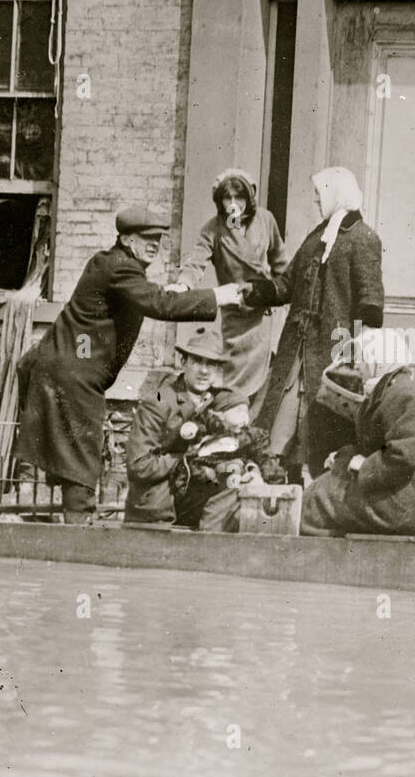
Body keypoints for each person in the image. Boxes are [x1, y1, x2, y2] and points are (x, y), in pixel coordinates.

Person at [16, 207, 244, 524]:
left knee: (73, 455)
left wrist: (174, 292)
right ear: (125, 239)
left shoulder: (115, 265)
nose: (154, 245)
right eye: (146, 238)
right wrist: (217, 296)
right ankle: (77, 529)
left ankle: (72, 521)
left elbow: (153, 296)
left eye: (158, 239)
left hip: (64, 366)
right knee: (82, 455)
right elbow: (159, 303)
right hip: (74, 373)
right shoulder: (120, 268)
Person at [249, 167, 384, 482]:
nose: (314, 201)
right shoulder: (316, 237)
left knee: (321, 420)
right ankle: (283, 487)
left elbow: (371, 293)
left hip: (332, 346)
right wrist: (255, 291)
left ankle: (315, 496)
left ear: (336, 194)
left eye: (319, 194)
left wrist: (361, 345)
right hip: (296, 347)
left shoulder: (363, 238)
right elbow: (288, 284)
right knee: (282, 417)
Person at [299, 340, 415, 537]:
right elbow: (378, 447)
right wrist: (343, 458)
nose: (358, 366)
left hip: (409, 501)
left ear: (379, 361)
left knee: (319, 498)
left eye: (362, 360)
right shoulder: (388, 389)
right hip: (401, 494)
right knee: (323, 488)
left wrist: (361, 465)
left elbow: (402, 457)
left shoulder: (404, 395)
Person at [124, 328, 266, 530]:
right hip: (163, 501)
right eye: (197, 361)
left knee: (244, 489)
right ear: (184, 362)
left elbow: (242, 441)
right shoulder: (159, 402)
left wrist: (251, 469)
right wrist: (188, 461)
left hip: (199, 495)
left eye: (211, 364)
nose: (204, 371)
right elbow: (139, 465)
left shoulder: (221, 402)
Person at [172, 168, 290, 411]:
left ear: (249, 199)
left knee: (265, 383)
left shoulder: (266, 220)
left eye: (240, 197)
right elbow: (196, 263)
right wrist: (184, 283)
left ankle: (252, 437)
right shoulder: (213, 229)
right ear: (220, 201)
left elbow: (282, 265)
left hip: (263, 316)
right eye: (228, 198)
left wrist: (281, 294)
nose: (234, 204)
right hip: (236, 318)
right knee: (233, 384)